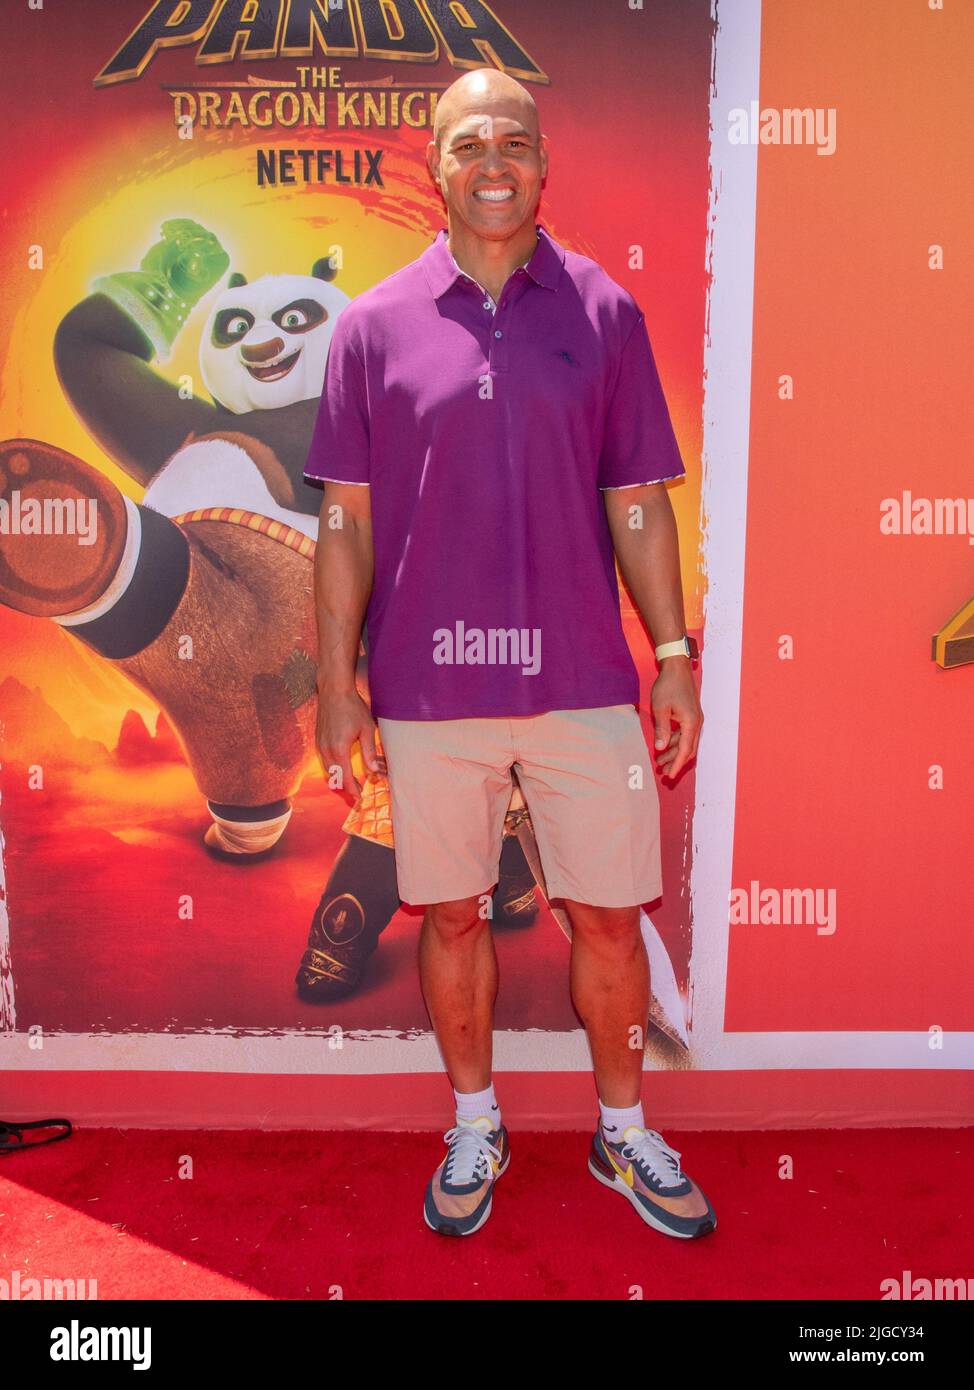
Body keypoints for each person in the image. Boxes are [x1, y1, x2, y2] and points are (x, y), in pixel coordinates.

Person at [305, 67, 716, 1240]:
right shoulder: (368, 327)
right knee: (450, 920)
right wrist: (338, 685)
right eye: (469, 143)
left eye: (515, 143)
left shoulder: (604, 313)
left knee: (603, 919)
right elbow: (346, 523)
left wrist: (674, 654)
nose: (494, 162)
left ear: (544, 165)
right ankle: (473, 1119)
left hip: (584, 684)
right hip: (430, 697)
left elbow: (638, 500)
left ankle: (622, 1129)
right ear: (434, 166)